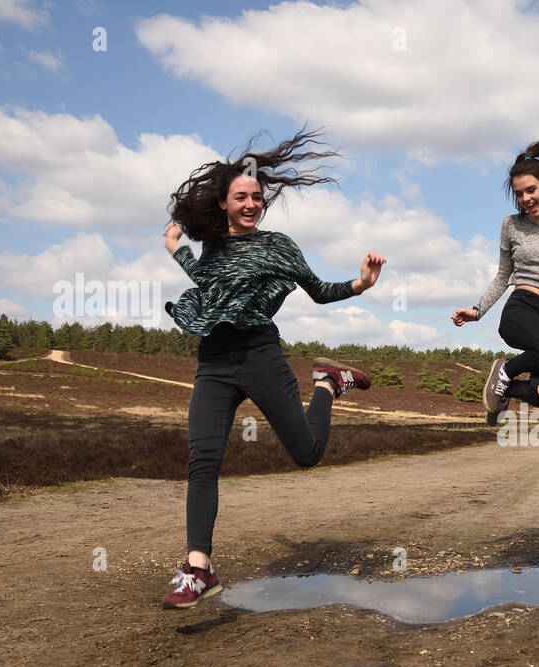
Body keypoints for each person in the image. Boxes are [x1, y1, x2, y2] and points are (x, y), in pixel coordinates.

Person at [160, 128, 385, 608]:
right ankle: (199, 568)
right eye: (240, 196)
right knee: (203, 458)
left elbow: (319, 290)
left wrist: (360, 284)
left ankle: (327, 383)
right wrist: (177, 248)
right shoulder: (214, 246)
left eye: (257, 197)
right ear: (222, 202)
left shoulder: (279, 246)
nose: (250, 204)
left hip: (261, 355)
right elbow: (208, 282)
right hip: (216, 361)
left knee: (306, 454)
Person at [450, 136, 539, 423]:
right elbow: (503, 275)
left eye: (531, 190)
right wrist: (478, 310)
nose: (526, 199)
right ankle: (505, 370)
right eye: (519, 194)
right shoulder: (511, 226)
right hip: (522, 307)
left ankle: (506, 389)